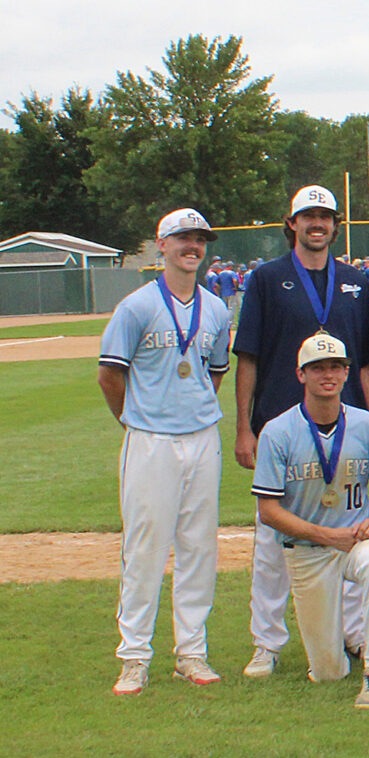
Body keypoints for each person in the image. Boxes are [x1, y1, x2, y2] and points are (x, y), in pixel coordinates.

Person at [234, 185, 369, 680]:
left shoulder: (356, 281)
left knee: (353, 527)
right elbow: (249, 357)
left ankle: (356, 632)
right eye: (308, 216)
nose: (317, 224)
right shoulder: (266, 279)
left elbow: (363, 359)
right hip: (282, 423)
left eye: (325, 216)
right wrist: (244, 427)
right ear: (291, 223)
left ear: (336, 224)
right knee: (273, 543)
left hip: (345, 425)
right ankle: (267, 643)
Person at [98, 208, 232, 695]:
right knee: (145, 547)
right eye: (182, 239)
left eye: (199, 239)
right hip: (150, 440)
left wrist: (190, 408)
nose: (191, 247)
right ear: (162, 246)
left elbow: (215, 371)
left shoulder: (216, 309)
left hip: (201, 437)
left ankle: (191, 652)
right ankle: (134, 656)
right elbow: (110, 375)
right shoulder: (136, 306)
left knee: (199, 546)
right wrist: (137, 419)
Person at [251, 332, 369, 707]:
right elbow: (268, 511)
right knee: (328, 671)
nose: (328, 374)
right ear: (301, 375)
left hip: (355, 543)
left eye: (336, 366)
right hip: (307, 550)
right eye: (318, 368)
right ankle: (335, 655)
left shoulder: (366, 425)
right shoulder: (278, 431)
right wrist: (324, 535)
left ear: (347, 372)